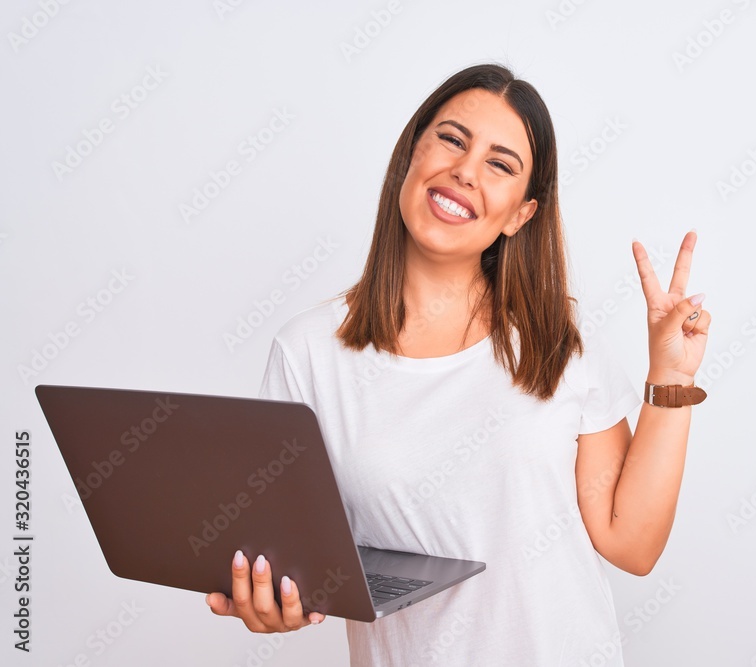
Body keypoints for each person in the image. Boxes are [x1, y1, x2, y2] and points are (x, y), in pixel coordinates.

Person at [205, 62, 711, 665]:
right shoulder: (309, 352)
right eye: (451, 139)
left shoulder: (558, 349)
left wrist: (672, 379)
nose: (465, 172)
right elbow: (286, 558)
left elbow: (632, 545)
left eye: (500, 165)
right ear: (410, 156)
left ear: (521, 213)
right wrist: (270, 600)